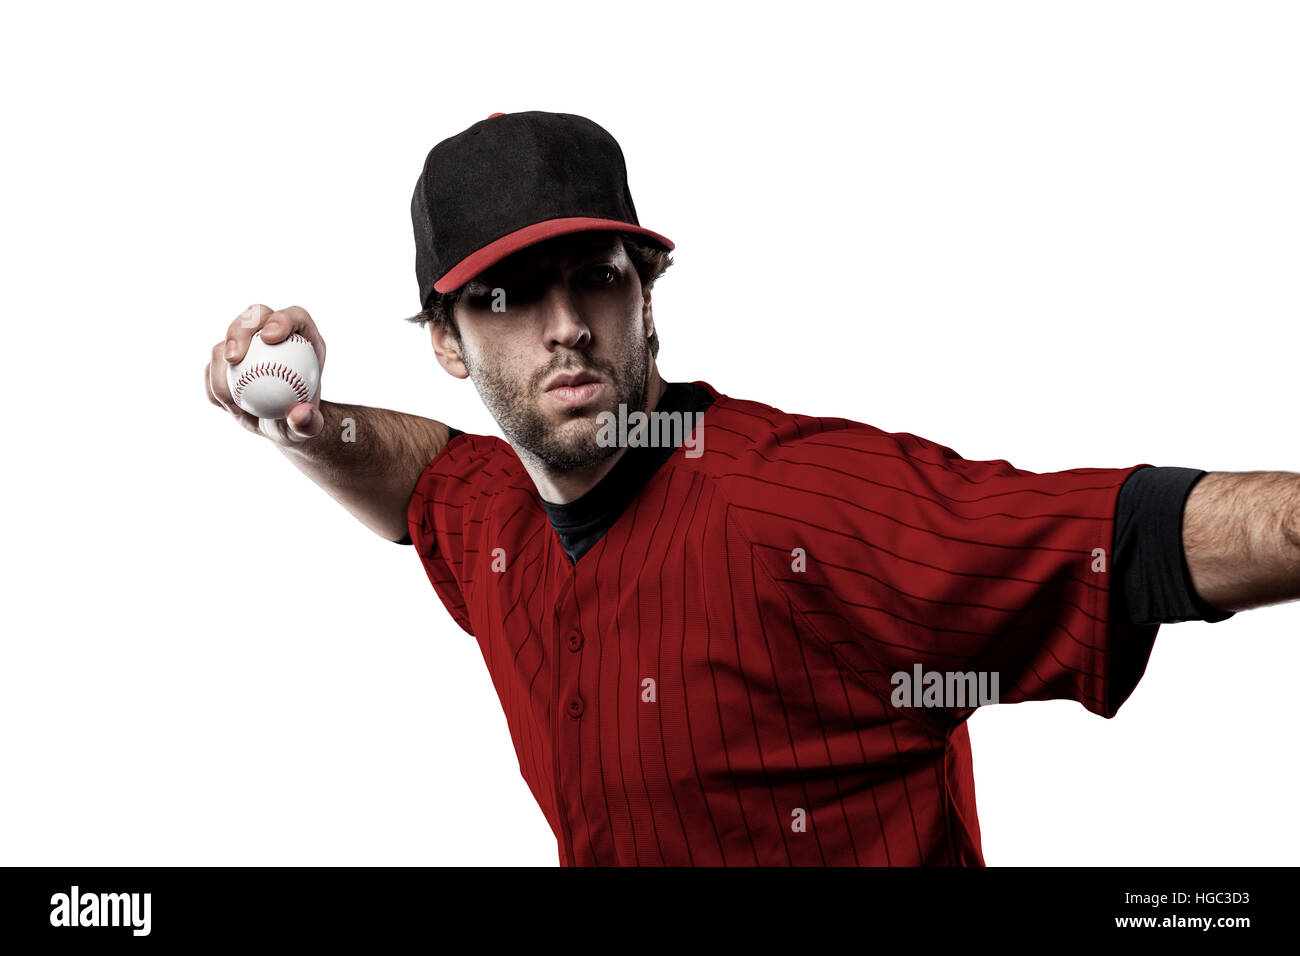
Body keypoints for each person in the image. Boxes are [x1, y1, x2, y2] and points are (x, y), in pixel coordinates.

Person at [206, 110, 1298, 866]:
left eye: (597, 276)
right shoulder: (498, 517)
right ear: (448, 344)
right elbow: (421, 478)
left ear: (648, 298)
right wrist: (304, 422)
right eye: (507, 298)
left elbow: (1118, 528)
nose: (566, 324)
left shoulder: (796, 505)